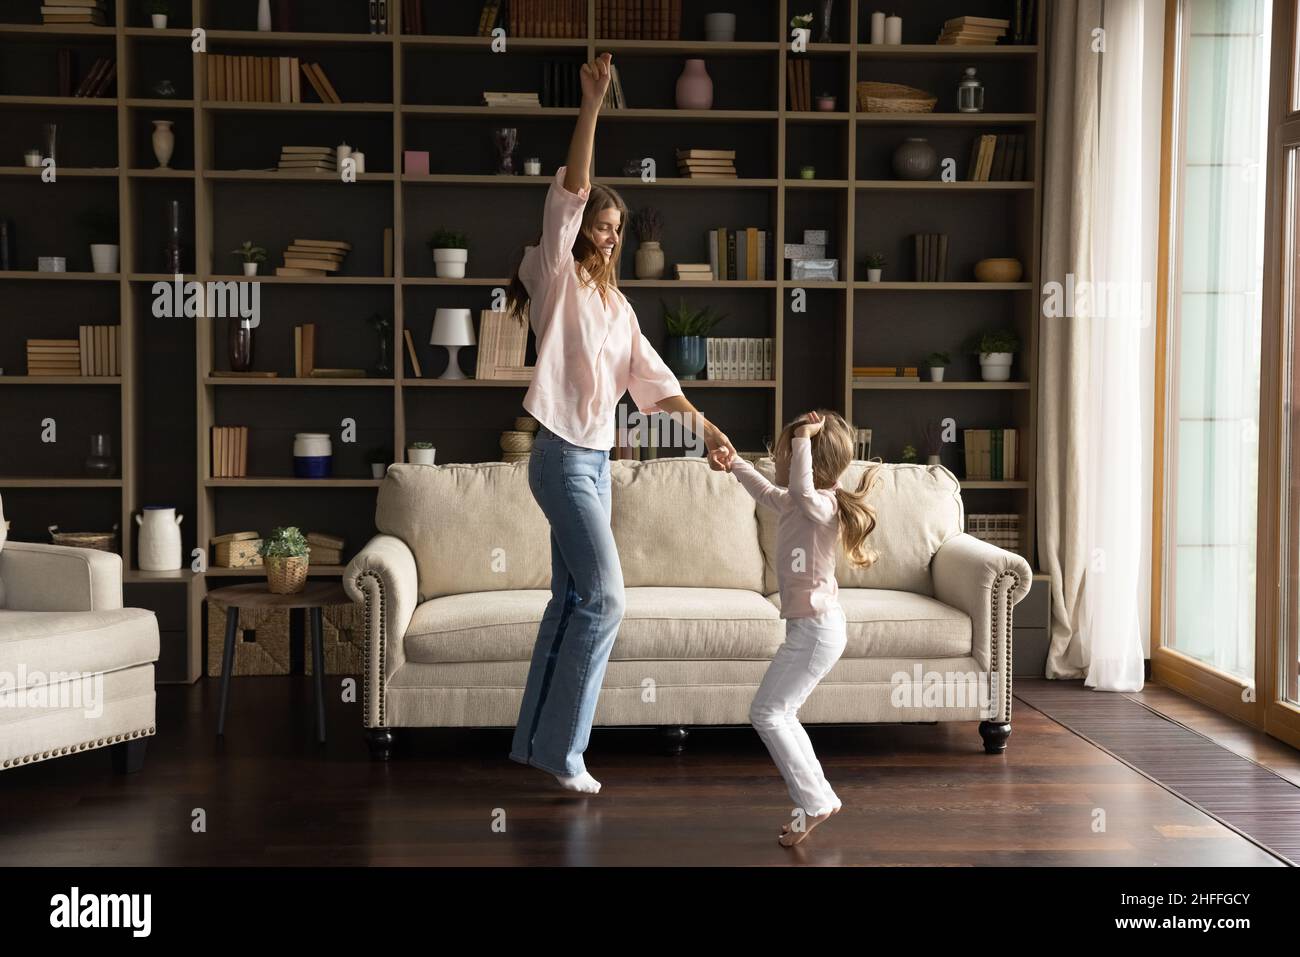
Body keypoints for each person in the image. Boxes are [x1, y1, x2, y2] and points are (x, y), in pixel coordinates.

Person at [503, 52, 736, 794]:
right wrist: (593, 104)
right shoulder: (555, 277)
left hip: (597, 464)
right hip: (560, 458)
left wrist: (708, 430)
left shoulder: (617, 305)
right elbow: (571, 186)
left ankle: (534, 747)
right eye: (598, 225)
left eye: (614, 227)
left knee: (570, 600)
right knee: (607, 598)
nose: (606, 234)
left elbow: (655, 383)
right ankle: (567, 753)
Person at [712, 410, 882, 844]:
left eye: (786, 450)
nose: (779, 456)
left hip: (817, 631)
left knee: (768, 713)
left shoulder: (820, 504)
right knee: (779, 714)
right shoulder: (796, 501)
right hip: (811, 630)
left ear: (810, 458)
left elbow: (801, 489)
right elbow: (766, 490)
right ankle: (817, 799)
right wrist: (734, 463)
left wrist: (804, 436)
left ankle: (816, 800)